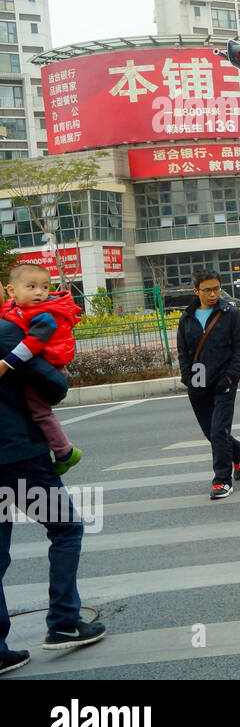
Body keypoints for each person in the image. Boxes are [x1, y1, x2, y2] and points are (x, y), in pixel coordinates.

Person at [1, 310, 107, 676]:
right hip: (18, 457)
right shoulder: (8, 332)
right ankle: (63, 623)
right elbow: (53, 386)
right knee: (65, 528)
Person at [0, 264, 84, 475]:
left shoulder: (43, 316)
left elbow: (33, 344)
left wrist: (6, 363)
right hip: (18, 450)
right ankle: (64, 450)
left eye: (45, 287)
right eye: (32, 287)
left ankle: (64, 451)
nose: (39, 292)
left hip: (52, 366)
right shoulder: (15, 311)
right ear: (11, 290)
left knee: (40, 413)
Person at [177, 270, 240, 500]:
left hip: (224, 381)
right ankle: (239, 452)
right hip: (197, 381)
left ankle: (222, 481)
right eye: (207, 289)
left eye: (216, 289)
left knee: (219, 430)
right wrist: (188, 377)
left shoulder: (230, 313)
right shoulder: (186, 317)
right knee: (212, 432)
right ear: (196, 291)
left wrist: (230, 376)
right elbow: (182, 351)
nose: (213, 294)